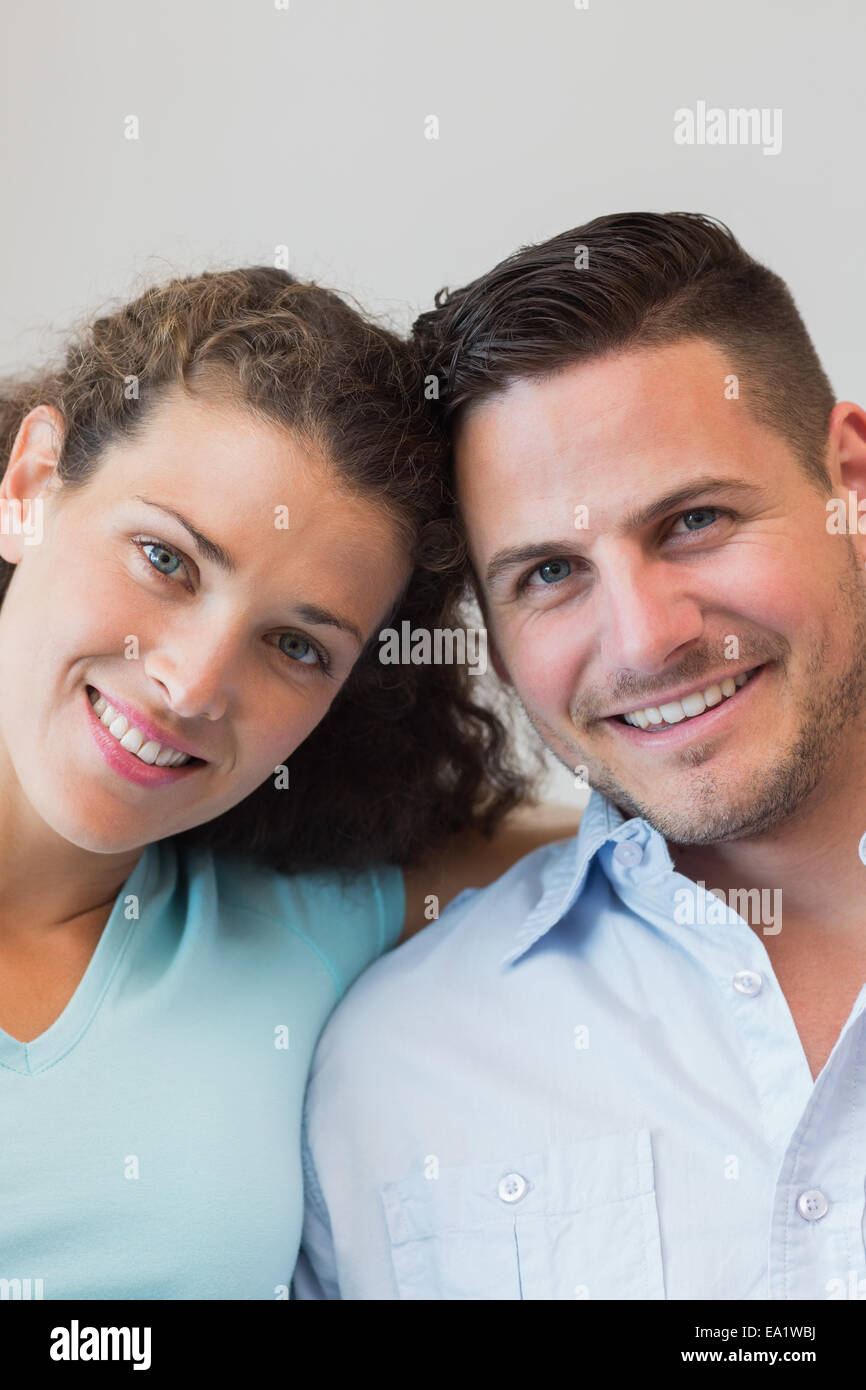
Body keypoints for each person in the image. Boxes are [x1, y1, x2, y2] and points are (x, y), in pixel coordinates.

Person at [294, 212, 866, 1301]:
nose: (647, 638)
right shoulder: (387, 1072)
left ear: (846, 476)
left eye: (693, 518)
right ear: (494, 639)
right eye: (548, 574)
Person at [0, 264, 578, 1300]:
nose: (191, 683)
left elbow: (666, 839)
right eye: (165, 560)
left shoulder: (300, 925)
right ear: (30, 486)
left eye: (296, 647)